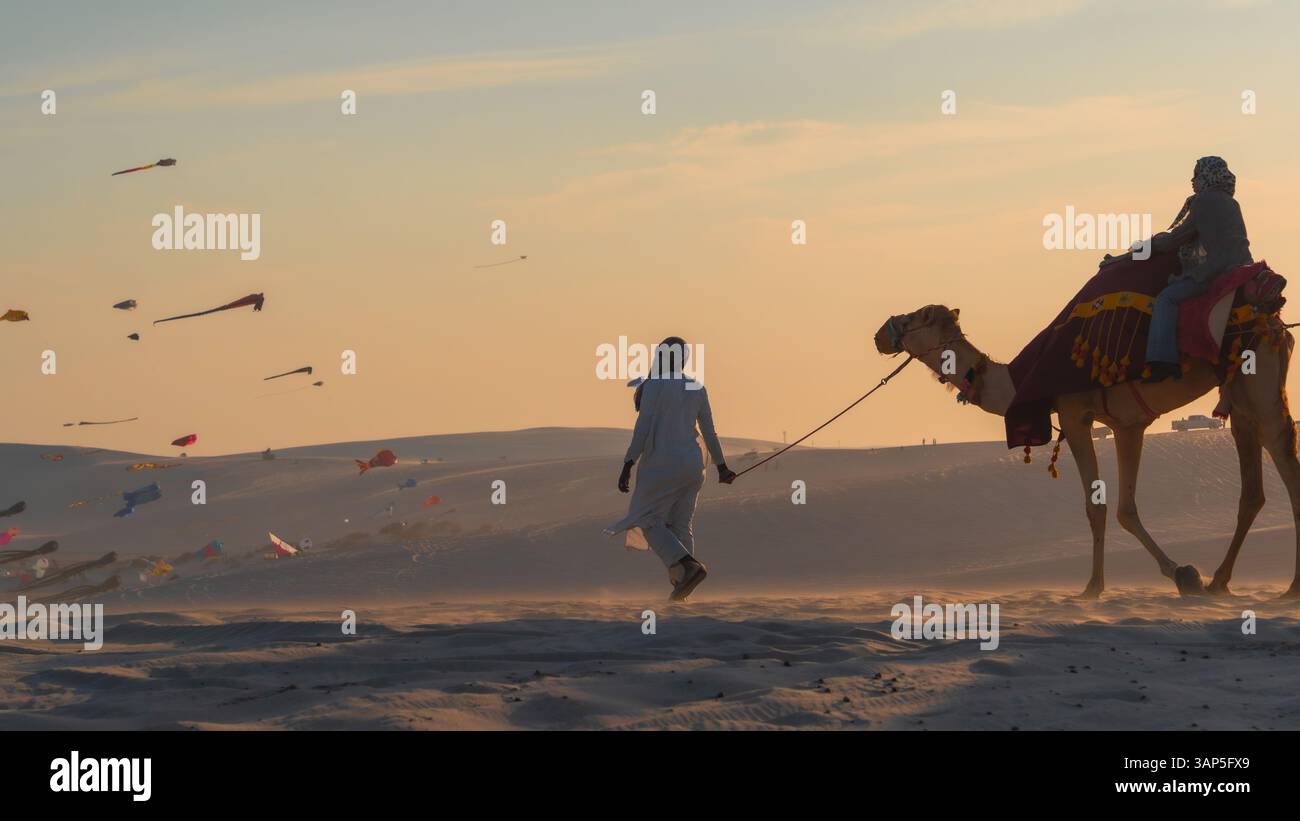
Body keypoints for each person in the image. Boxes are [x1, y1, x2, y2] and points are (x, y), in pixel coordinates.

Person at [606, 337, 736, 601]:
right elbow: (709, 431)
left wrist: (628, 463)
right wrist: (721, 467)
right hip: (692, 466)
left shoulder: (653, 385)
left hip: (662, 464)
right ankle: (682, 588)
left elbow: (643, 428)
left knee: (645, 517)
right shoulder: (696, 386)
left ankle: (688, 568)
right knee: (680, 525)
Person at [1103, 157, 1253, 383]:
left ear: (1205, 177)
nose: (1192, 182)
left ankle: (1163, 361)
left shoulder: (1205, 201)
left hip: (1216, 271)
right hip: (1240, 267)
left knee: (1166, 298)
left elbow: (1176, 239)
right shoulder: (1230, 202)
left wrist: (1146, 247)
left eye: (1196, 176)